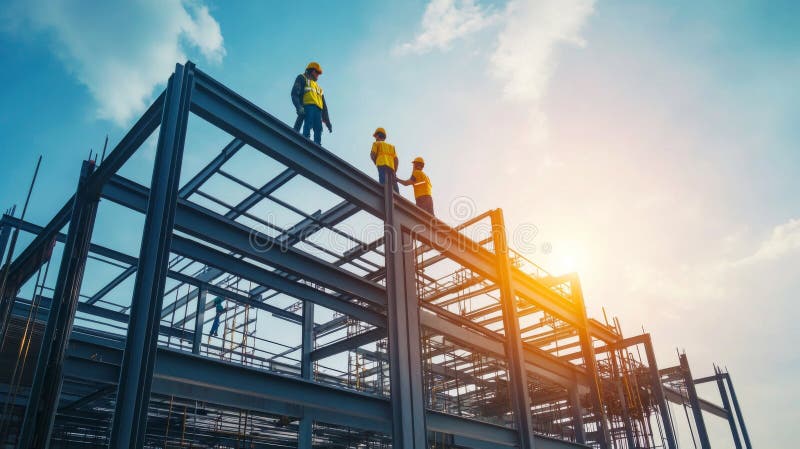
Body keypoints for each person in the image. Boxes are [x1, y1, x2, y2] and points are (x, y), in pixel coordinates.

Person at [291, 62, 332, 145]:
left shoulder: (319, 88)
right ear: (312, 71)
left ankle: (317, 146)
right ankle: (305, 140)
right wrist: (299, 107)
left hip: (318, 111)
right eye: (317, 72)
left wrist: (327, 122)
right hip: (308, 107)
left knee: (319, 129)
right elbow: (294, 94)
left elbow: (324, 107)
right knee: (308, 124)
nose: (318, 75)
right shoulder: (302, 78)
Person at [370, 127, 398, 193]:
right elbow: (396, 160)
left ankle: (383, 195)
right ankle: (398, 197)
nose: (375, 138)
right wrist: (395, 171)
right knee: (394, 183)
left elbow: (372, 155)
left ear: (378, 135)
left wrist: (376, 162)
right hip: (391, 167)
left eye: (375, 136)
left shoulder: (376, 143)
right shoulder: (391, 146)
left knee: (383, 183)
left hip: (381, 164)